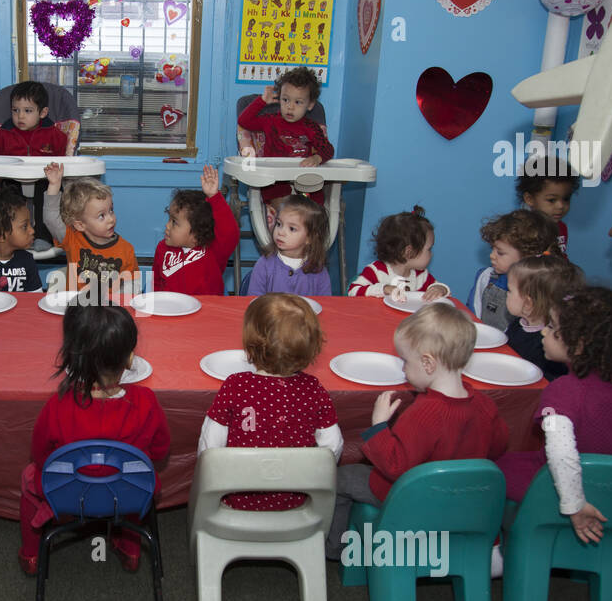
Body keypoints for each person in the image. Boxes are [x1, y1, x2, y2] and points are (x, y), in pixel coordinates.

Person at [326, 302, 509, 561]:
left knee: (340, 478)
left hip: (414, 499)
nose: (402, 369)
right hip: (463, 498)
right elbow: (499, 446)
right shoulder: (485, 404)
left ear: (428, 363)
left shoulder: (424, 413)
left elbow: (394, 465)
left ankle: (334, 548)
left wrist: (378, 427)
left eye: (405, 361)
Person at [496, 286, 612, 547]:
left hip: (554, 487)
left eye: (552, 328)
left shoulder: (564, 391)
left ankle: (499, 547)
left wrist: (575, 506)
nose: (544, 332)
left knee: (490, 470)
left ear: (578, 346)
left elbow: (561, 454)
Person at [18, 300, 170, 575]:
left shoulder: (58, 405)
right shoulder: (147, 402)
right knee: (136, 471)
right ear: (130, 357)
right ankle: (130, 549)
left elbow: (40, 456)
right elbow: (160, 451)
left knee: (29, 476)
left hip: (67, 494)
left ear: (75, 357)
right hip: (128, 495)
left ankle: (31, 555)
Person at [197, 294, 342, 510]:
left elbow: (208, 448)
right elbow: (332, 448)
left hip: (236, 498)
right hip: (294, 501)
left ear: (250, 344)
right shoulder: (314, 390)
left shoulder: (235, 385)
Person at [236, 66, 335, 225]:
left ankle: (306, 244)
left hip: (304, 182)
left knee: (313, 209)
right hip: (277, 183)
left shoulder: (311, 127)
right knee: (288, 210)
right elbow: (244, 121)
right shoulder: (270, 121)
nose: (290, 106)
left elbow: (328, 149)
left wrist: (317, 157)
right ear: (279, 98)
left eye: (298, 102)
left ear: (310, 105)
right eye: (285, 100)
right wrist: (262, 101)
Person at [0, 80, 71, 249]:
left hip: (43, 177)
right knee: (8, 198)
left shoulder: (54, 134)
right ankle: (12, 235)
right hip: (12, 177)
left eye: (27, 111)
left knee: (48, 196)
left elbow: (61, 155)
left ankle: (43, 236)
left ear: (42, 113)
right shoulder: (3, 134)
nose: (20, 116)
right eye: (15, 110)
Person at [43, 171, 139, 295]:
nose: (111, 219)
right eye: (101, 216)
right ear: (80, 225)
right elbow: (51, 219)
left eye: (111, 210)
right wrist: (54, 185)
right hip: (76, 308)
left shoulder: (126, 250)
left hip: (108, 309)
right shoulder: (72, 238)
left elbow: (131, 287)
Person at [467, 209, 561, 331]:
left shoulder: (539, 289)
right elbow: (473, 310)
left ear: (526, 257)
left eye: (500, 253)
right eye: (492, 249)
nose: (491, 255)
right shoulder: (486, 277)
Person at [154, 165, 240, 295]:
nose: (167, 226)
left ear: (195, 234)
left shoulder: (213, 251)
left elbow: (230, 233)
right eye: (169, 219)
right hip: (170, 310)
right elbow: (155, 283)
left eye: (174, 222)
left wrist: (214, 197)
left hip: (205, 311)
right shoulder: (162, 248)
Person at [503, 255, 584, 380]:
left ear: (528, 303)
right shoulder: (518, 324)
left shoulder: (547, 346)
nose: (506, 294)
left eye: (509, 290)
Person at [348, 207, 450, 301]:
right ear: (409, 252)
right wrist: (384, 289)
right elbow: (353, 292)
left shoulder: (422, 276)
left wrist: (440, 289)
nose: (431, 254)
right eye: (429, 249)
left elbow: (443, 293)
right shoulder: (376, 271)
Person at [246, 194, 332, 297]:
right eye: (279, 224)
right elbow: (254, 303)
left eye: (292, 229)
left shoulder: (319, 272)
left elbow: (326, 305)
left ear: (310, 237)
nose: (281, 232)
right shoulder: (264, 265)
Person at [517, 156, 577, 255]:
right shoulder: (521, 230)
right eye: (552, 200)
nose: (560, 206)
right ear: (529, 199)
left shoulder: (561, 228)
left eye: (566, 199)